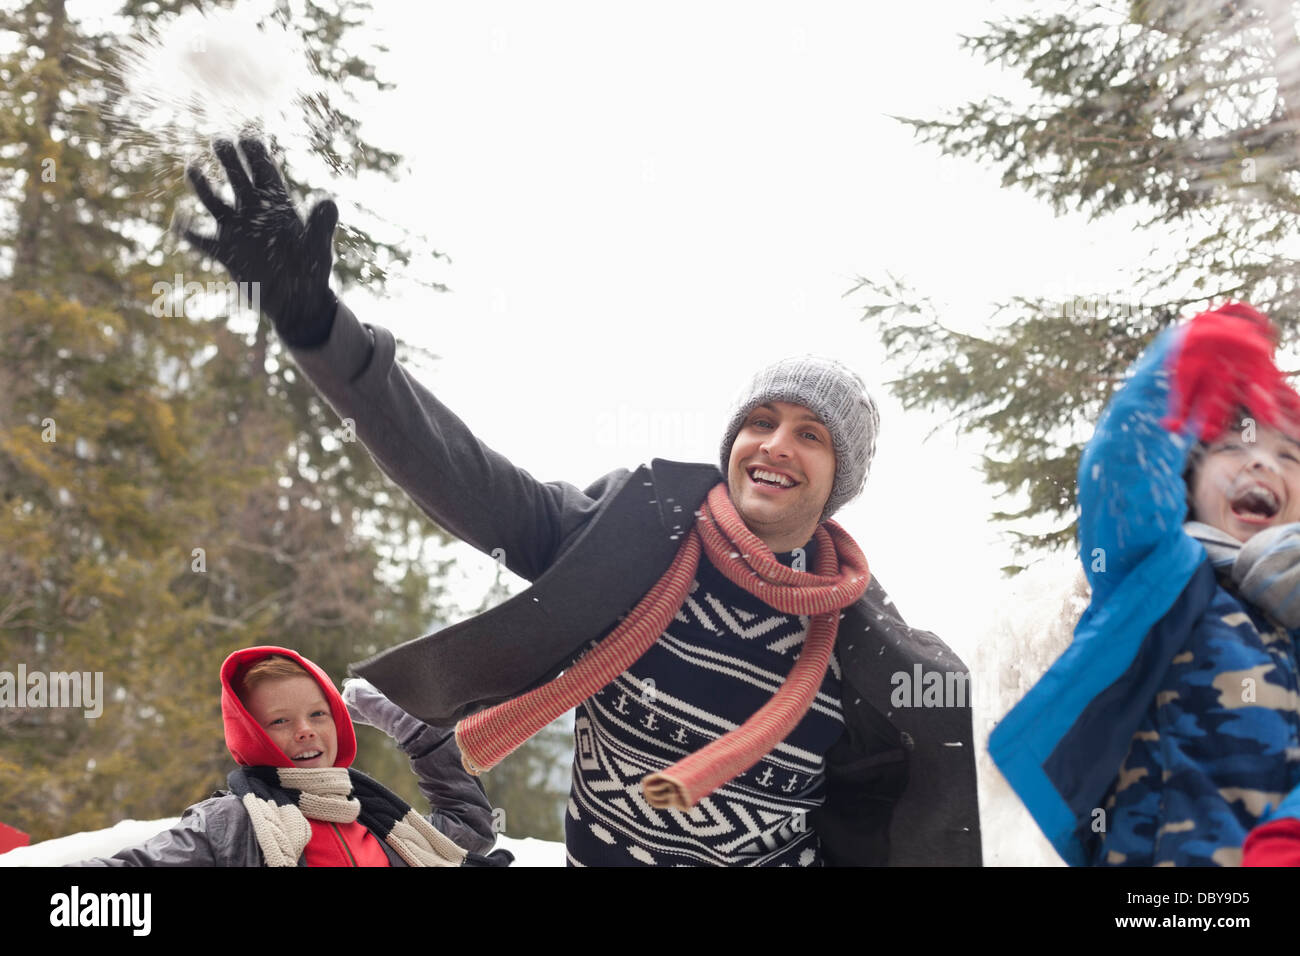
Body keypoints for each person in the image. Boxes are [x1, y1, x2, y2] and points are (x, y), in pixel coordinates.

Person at [176, 136, 981, 866]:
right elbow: (463, 477)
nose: (775, 445)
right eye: (761, 422)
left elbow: (905, 813)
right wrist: (319, 326)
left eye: (810, 435)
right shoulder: (638, 538)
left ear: (839, 479)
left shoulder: (864, 643)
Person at [990, 302, 1300, 866]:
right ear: (1189, 483)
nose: (1264, 465)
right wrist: (1178, 372)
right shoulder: (1163, 575)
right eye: (1234, 447)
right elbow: (1124, 475)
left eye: (1290, 454)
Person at [73, 646, 507, 866]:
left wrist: (418, 734)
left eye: (319, 714)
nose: (305, 729)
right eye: (279, 721)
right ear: (251, 735)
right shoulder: (232, 822)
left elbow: (468, 829)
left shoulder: (374, 820)